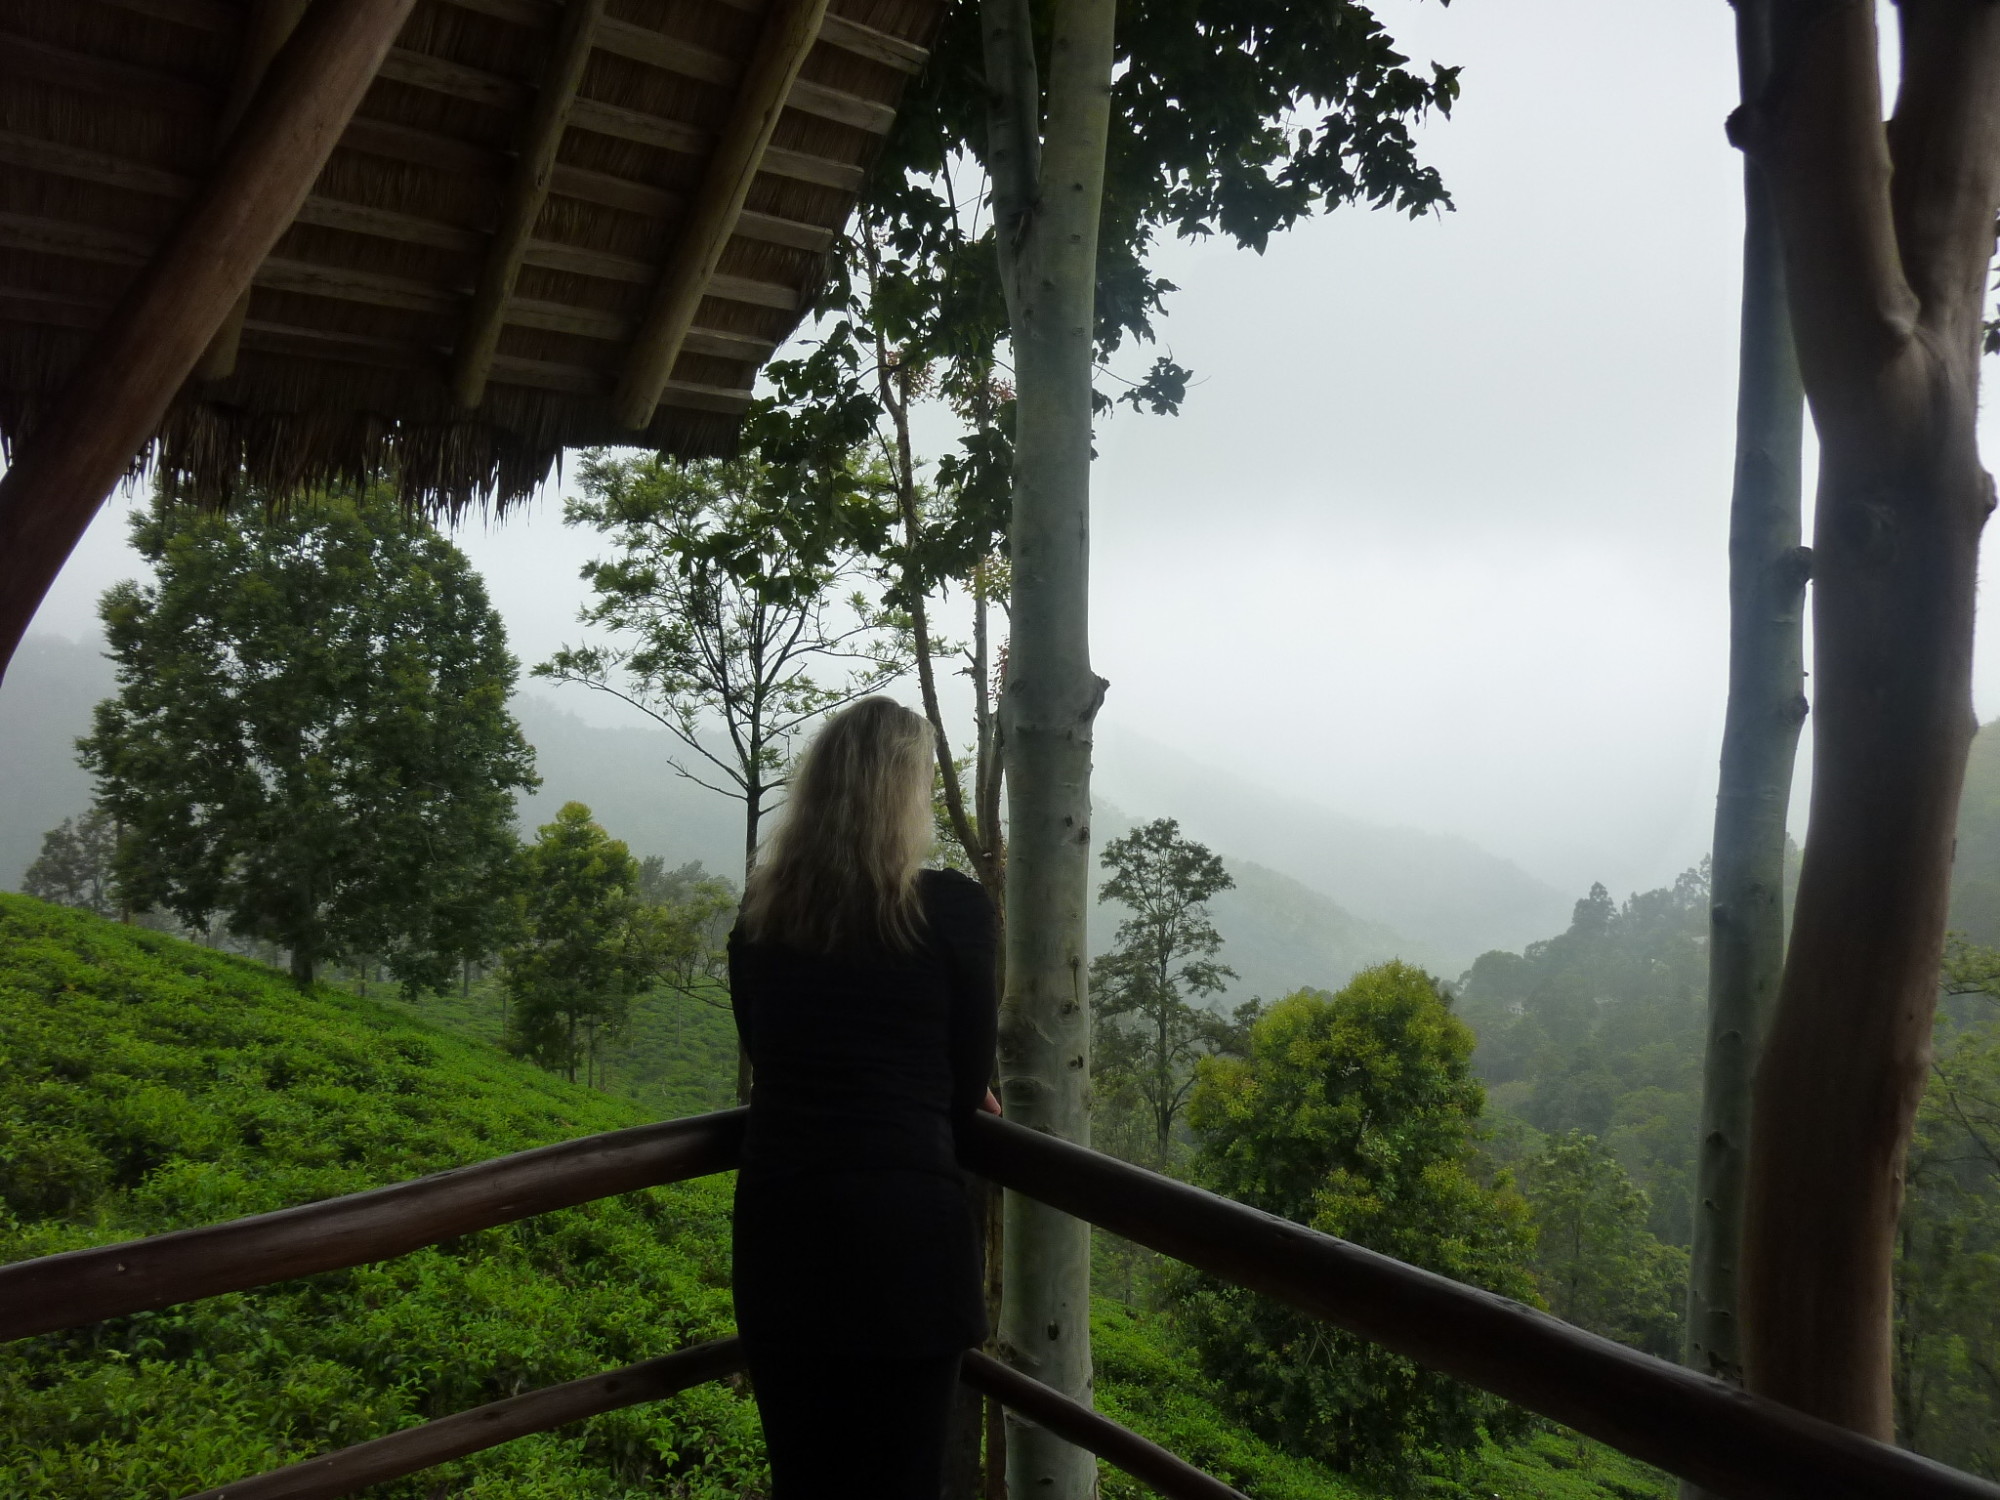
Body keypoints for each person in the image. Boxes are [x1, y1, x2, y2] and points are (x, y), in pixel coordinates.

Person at [729, 696, 1000, 1499]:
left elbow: (765, 1053)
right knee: (902, 1477)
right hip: (905, 1232)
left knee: (805, 1477)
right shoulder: (950, 910)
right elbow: (963, 1084)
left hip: (782, 1223)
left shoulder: (760, 916)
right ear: (905, 795)